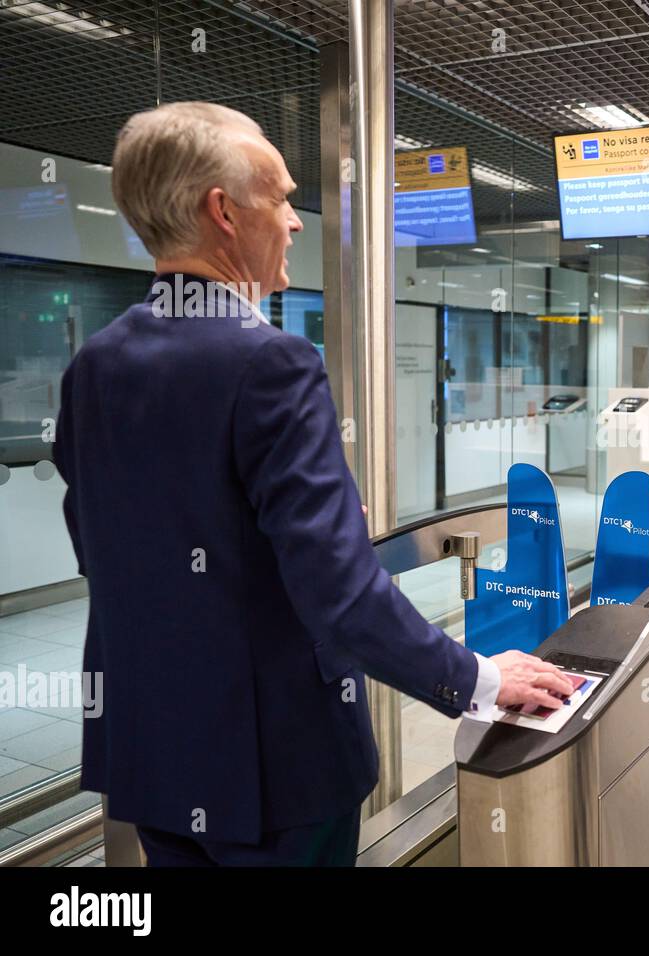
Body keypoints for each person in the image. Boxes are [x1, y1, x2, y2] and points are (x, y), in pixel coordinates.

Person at [52, 102, 571, 866]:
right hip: (273, 773)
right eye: (282, 197)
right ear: (221, 212)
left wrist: (262, 536)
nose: (295, 222)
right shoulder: (269, 362)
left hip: (147, 748)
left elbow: (103, 546)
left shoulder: (94, 363)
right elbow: (339, 595)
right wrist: (480, 680)